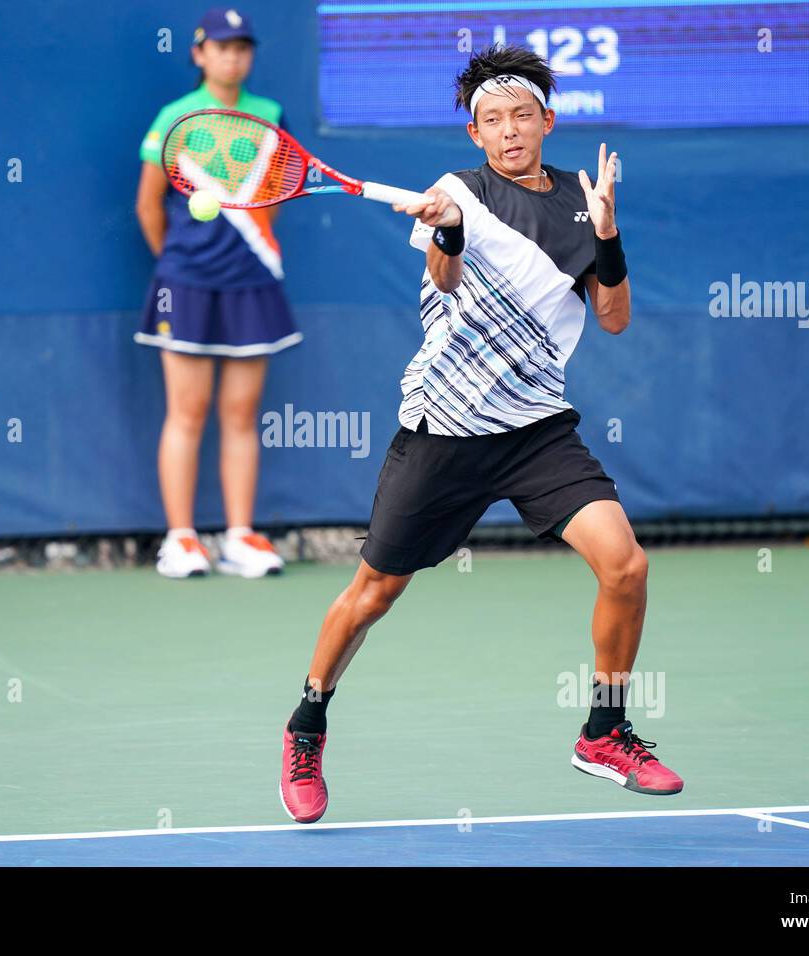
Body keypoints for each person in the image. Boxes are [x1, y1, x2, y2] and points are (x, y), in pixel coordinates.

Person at [278, 45, 684, 824]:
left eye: (521, 117)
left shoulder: (579, 199)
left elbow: (614, 318)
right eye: (491, 121)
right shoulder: (456, 192)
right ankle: (306, 725)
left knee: (626, 566)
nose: (508, 131)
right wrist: (451, 231)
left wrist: (607, 233)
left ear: (547, 122)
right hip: (444, 429)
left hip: (534, 429)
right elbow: (444, 281)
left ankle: (604, 731)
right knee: (373, 595)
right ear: (474, 134)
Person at [134, 7, 297, 579]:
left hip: (253, 280)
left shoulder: (270, 116)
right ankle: (180, 540)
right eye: (222, 47)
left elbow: (273, 199)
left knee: (241, 413)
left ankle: (239, 537)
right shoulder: (174, 119)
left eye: (242, 47)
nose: (234, 56)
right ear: (199, 54)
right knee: (187, 411)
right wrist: (179, 266)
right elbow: (148, 205)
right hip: (186, 285)